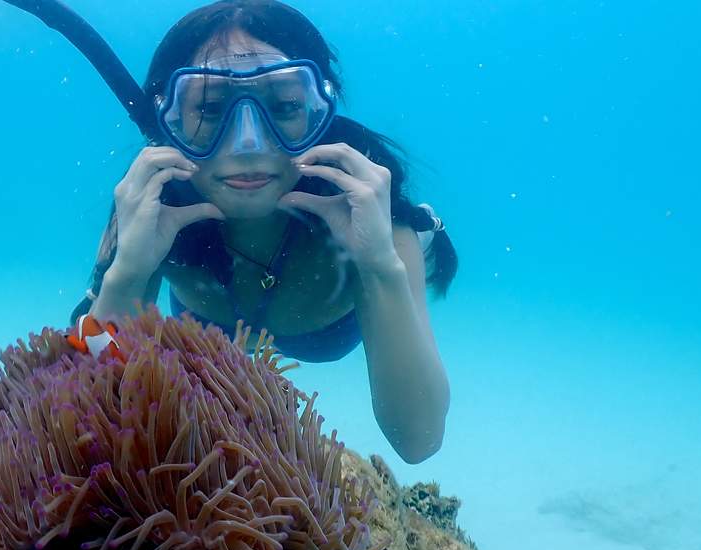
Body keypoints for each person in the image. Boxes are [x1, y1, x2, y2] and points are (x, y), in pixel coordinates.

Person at [67, 1, 458, 464]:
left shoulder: (365, 218)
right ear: (167, 120)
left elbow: (419, 439)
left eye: (285, 106)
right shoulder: (150, 210)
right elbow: (77, 405)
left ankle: (429, 227)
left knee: (412, 232)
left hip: (359, 259)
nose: (249, 144)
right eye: (211, 109)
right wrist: (126, 274)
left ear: (318, 113)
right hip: (217, 311)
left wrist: (381, 266)